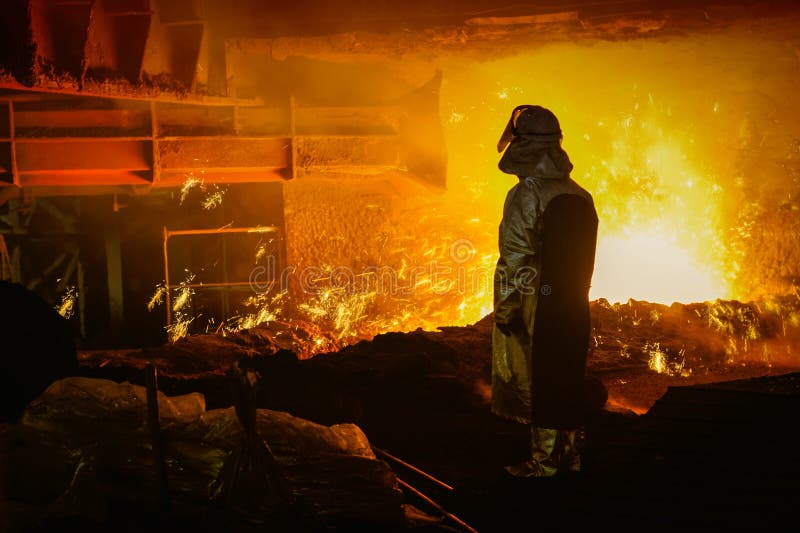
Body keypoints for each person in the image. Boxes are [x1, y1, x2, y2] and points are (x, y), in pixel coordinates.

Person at [491, 104, 598, 478]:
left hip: (538, 302)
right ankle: (569, 455)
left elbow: (516, 258)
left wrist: (507, 308)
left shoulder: (527, 195)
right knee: (566, 376)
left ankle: (544, 462)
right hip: (573, 301)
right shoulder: (580, 194)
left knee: (540, 380)